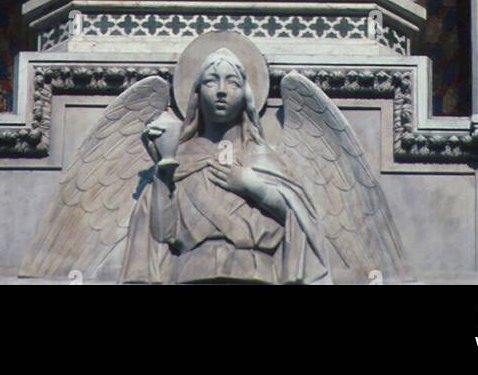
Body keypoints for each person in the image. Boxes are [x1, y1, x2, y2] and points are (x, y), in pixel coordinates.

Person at [120, 46, 330, 285]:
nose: (221, 91)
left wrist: (255, 188)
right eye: (211, 81)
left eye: (232, 83)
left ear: (246, 96)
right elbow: (160, 233)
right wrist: (164, 170)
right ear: (197, 94)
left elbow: (301, 218)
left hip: (257, 275)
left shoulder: (263, 158)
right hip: (189, 275)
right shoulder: (179, 161)